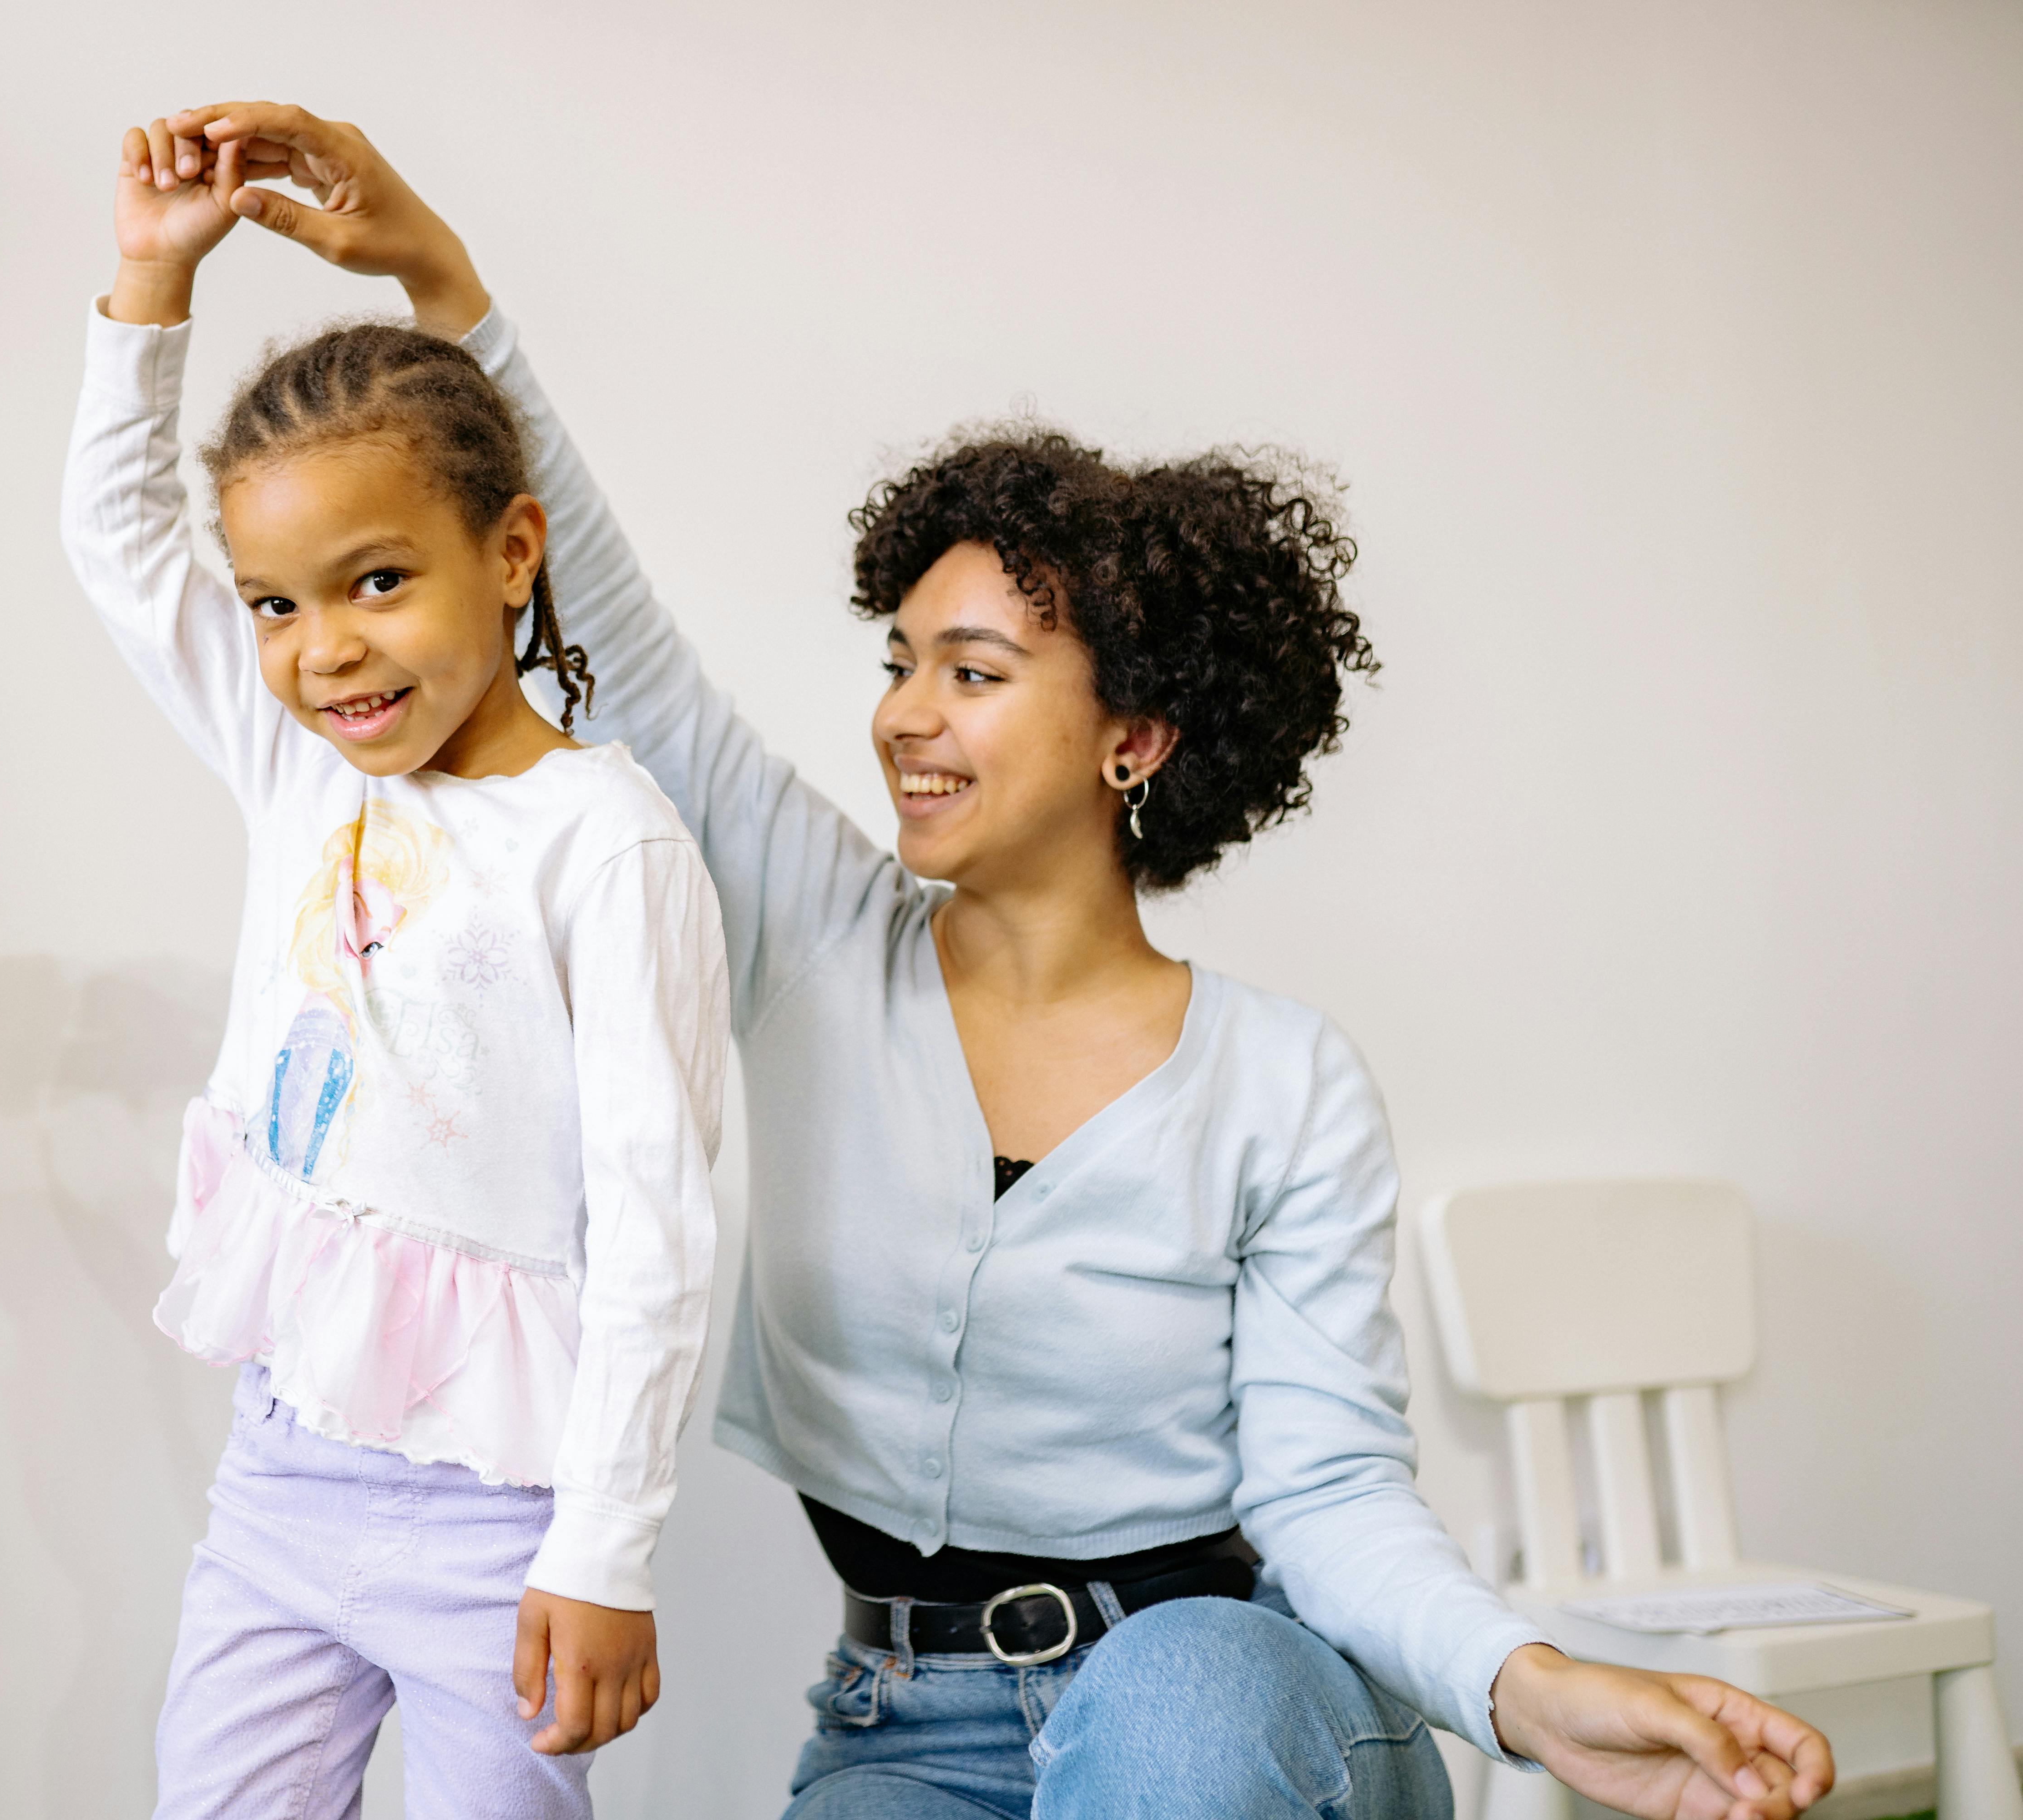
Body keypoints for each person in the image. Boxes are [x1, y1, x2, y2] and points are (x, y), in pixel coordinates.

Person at [154, 102, 1839, 1820]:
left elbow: (1332, 1495)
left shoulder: (1285, 1083)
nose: (904, 715)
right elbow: (615, 636)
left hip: (1219, 1696)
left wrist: (1530, 1690)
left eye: (972, 673)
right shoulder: (815, 944)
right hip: (908, 1723)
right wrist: (439, 280)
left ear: (1135, 736)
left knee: (1174, 1712)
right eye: (900, 662)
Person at [61, 117, 732, 1819]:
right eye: (275, 605)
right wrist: (151, 281)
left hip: (499, 1521)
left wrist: (605, 1548)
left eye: (376, 581)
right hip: (281, 1478)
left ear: (510, 554)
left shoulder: (608, 844)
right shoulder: (302, 767)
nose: (325, 650)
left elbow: (659, 1223)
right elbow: (120, 547)